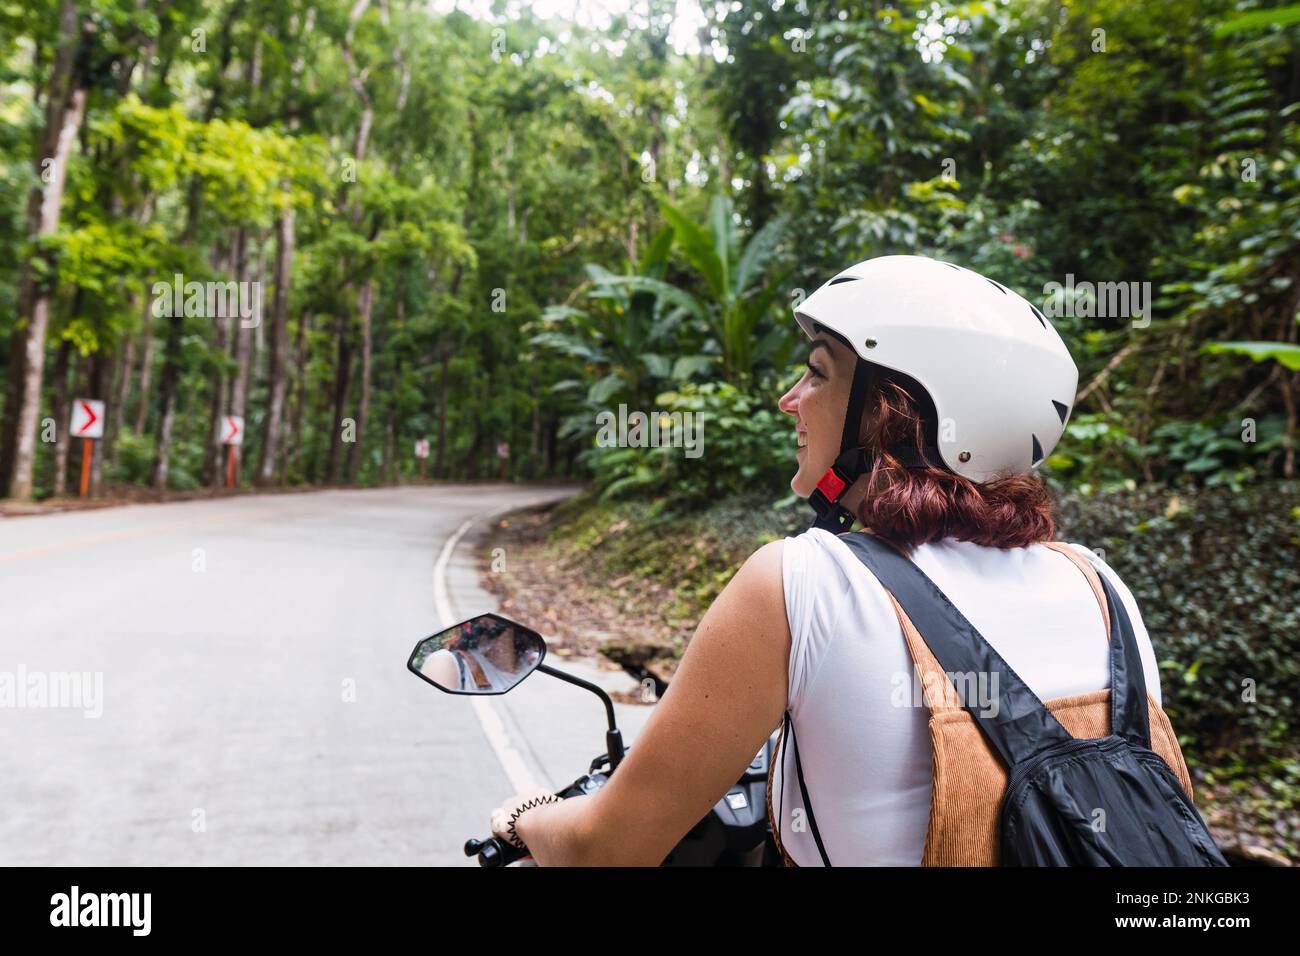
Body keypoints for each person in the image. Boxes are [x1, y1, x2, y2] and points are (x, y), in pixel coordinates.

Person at [489, 255, 1165, 866]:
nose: (790, 399)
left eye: (817, 372)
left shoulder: (803, 582)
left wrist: (528, 817)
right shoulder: (1100, 585)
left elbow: (608, 850)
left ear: (891, 413)